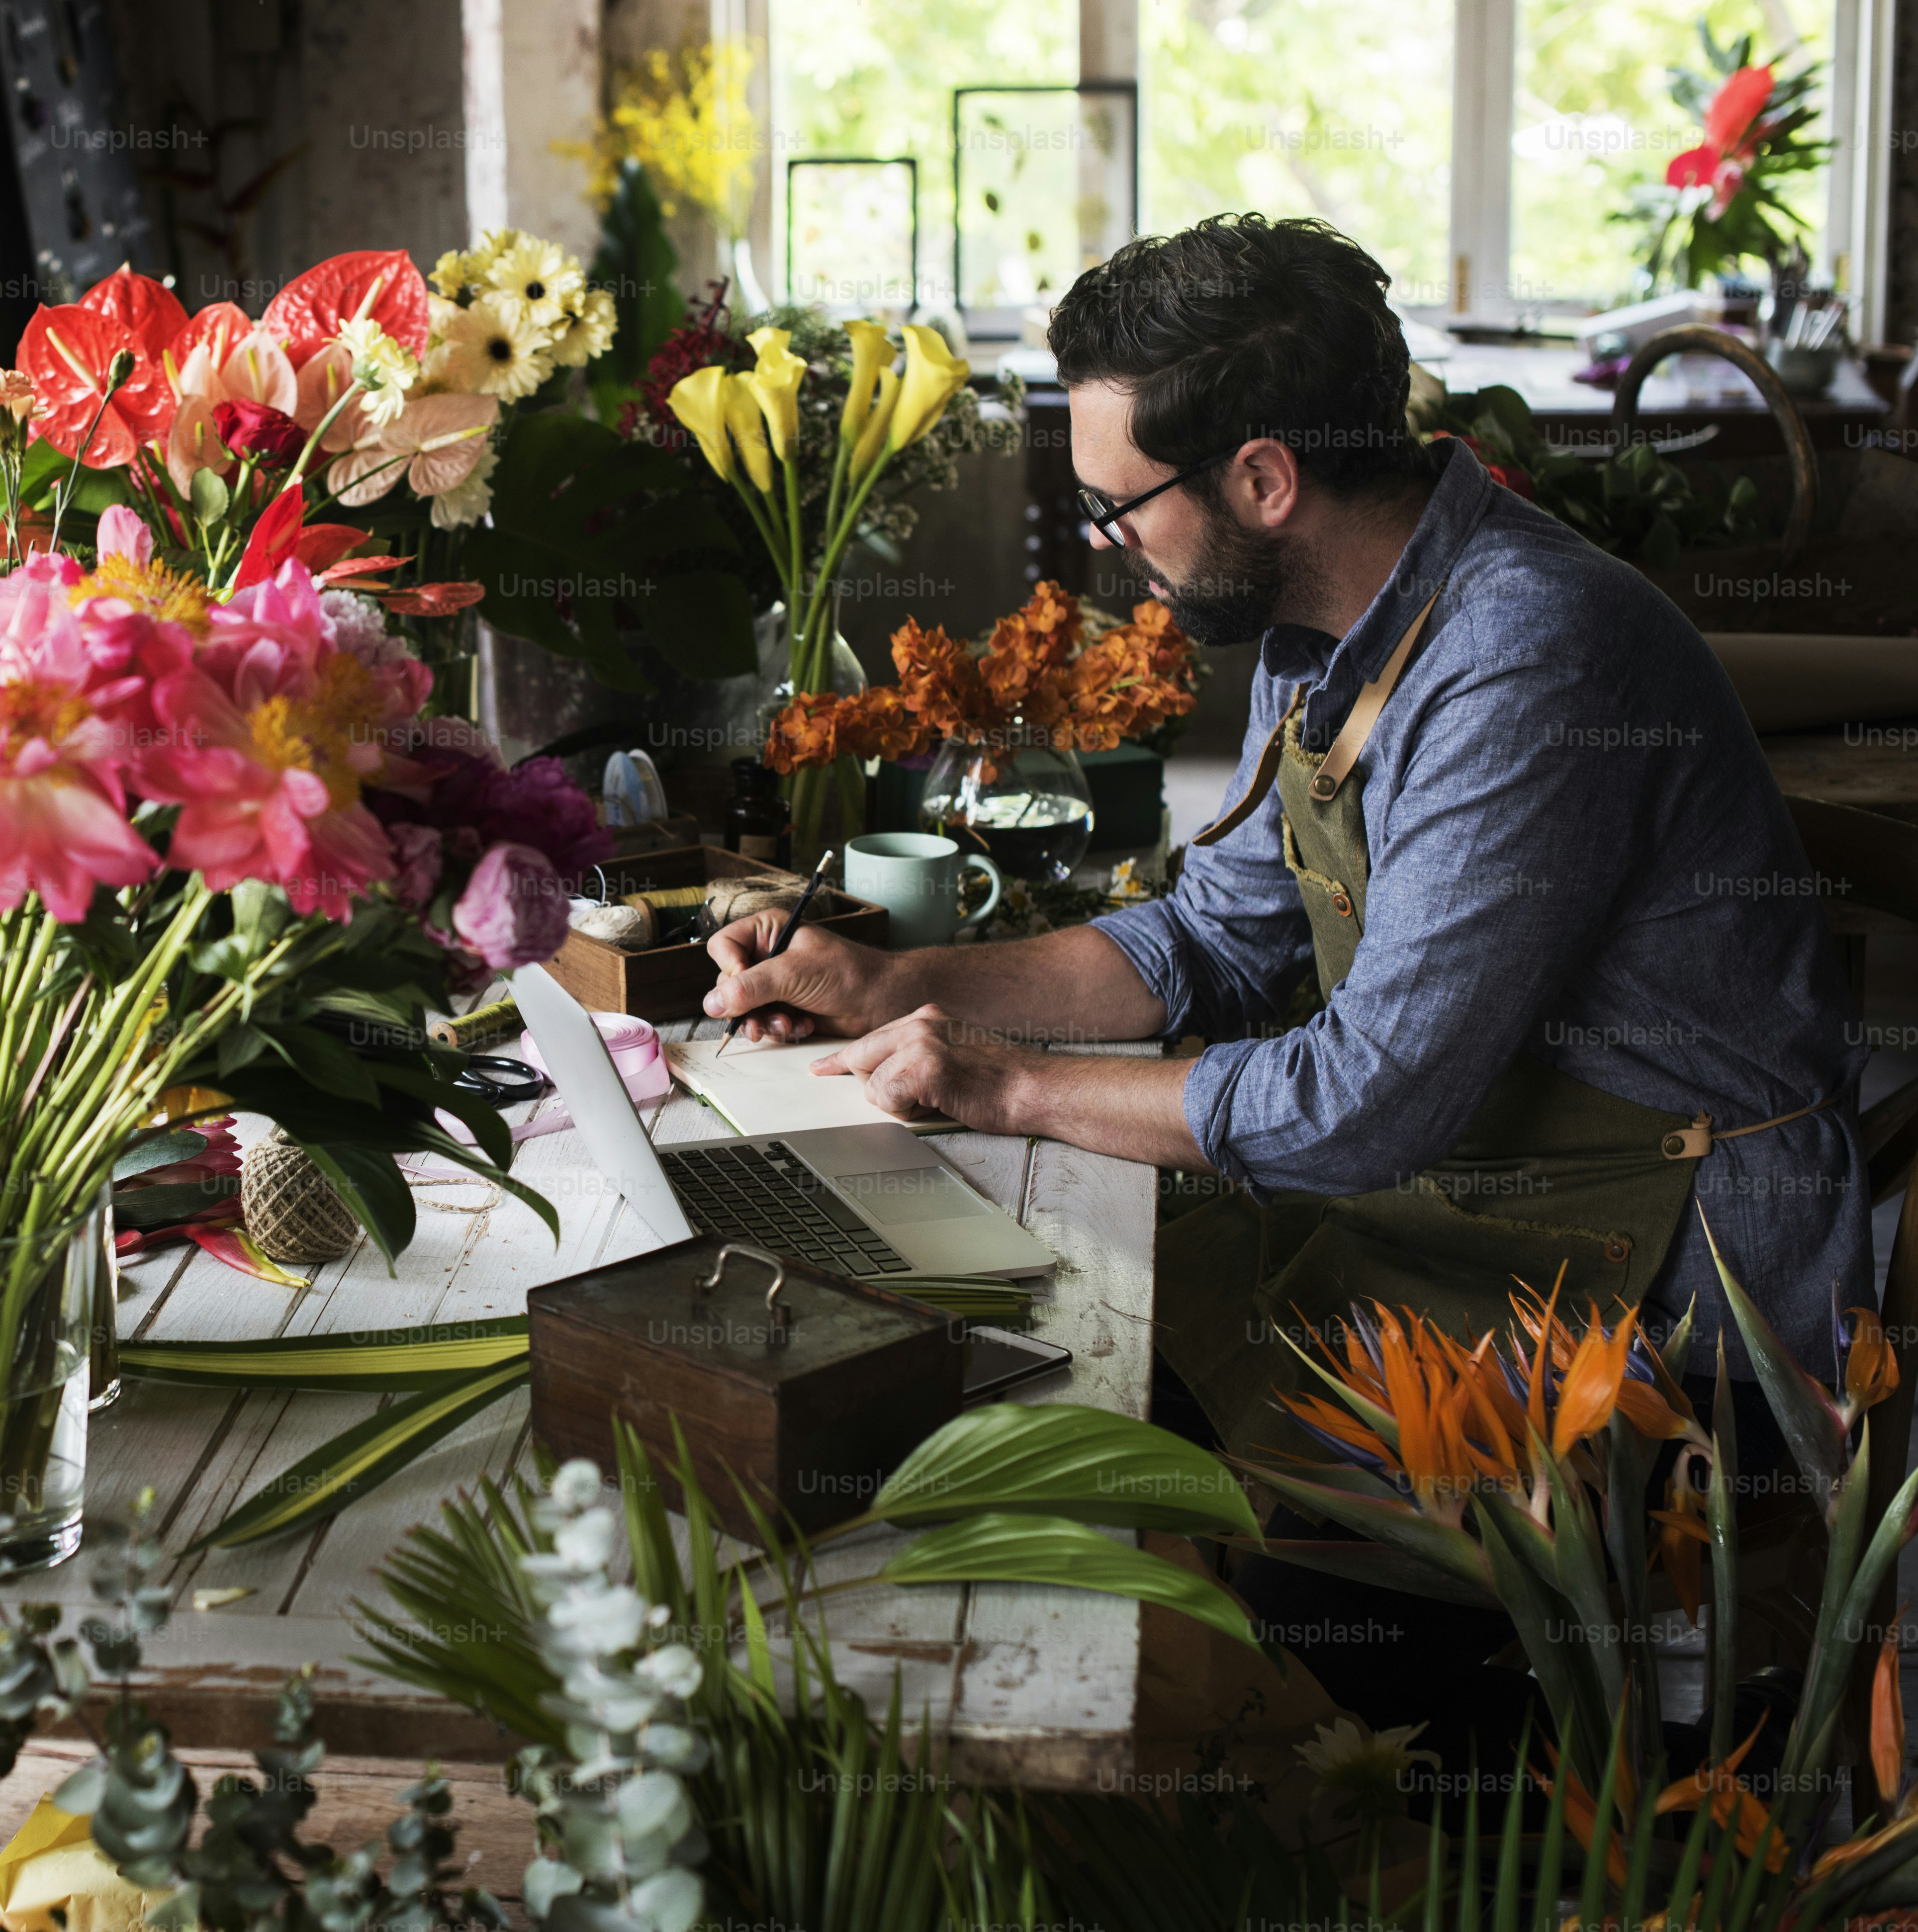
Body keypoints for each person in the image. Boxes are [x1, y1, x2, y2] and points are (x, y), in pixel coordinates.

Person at [700, 213, 1862, 1765]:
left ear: (1262, 479)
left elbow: (1370, 1095)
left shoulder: (1527, 655)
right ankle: (1296, 1732)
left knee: (1131, 1379)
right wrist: (891, 975)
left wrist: (1005, 1079)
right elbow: (1204, 947)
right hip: (1487, 1188)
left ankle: (1464, 1776)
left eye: (1122, 508)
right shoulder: (1327, 625)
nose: (1110, 544)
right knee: (1079, 1324)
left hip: (1675, 1274)